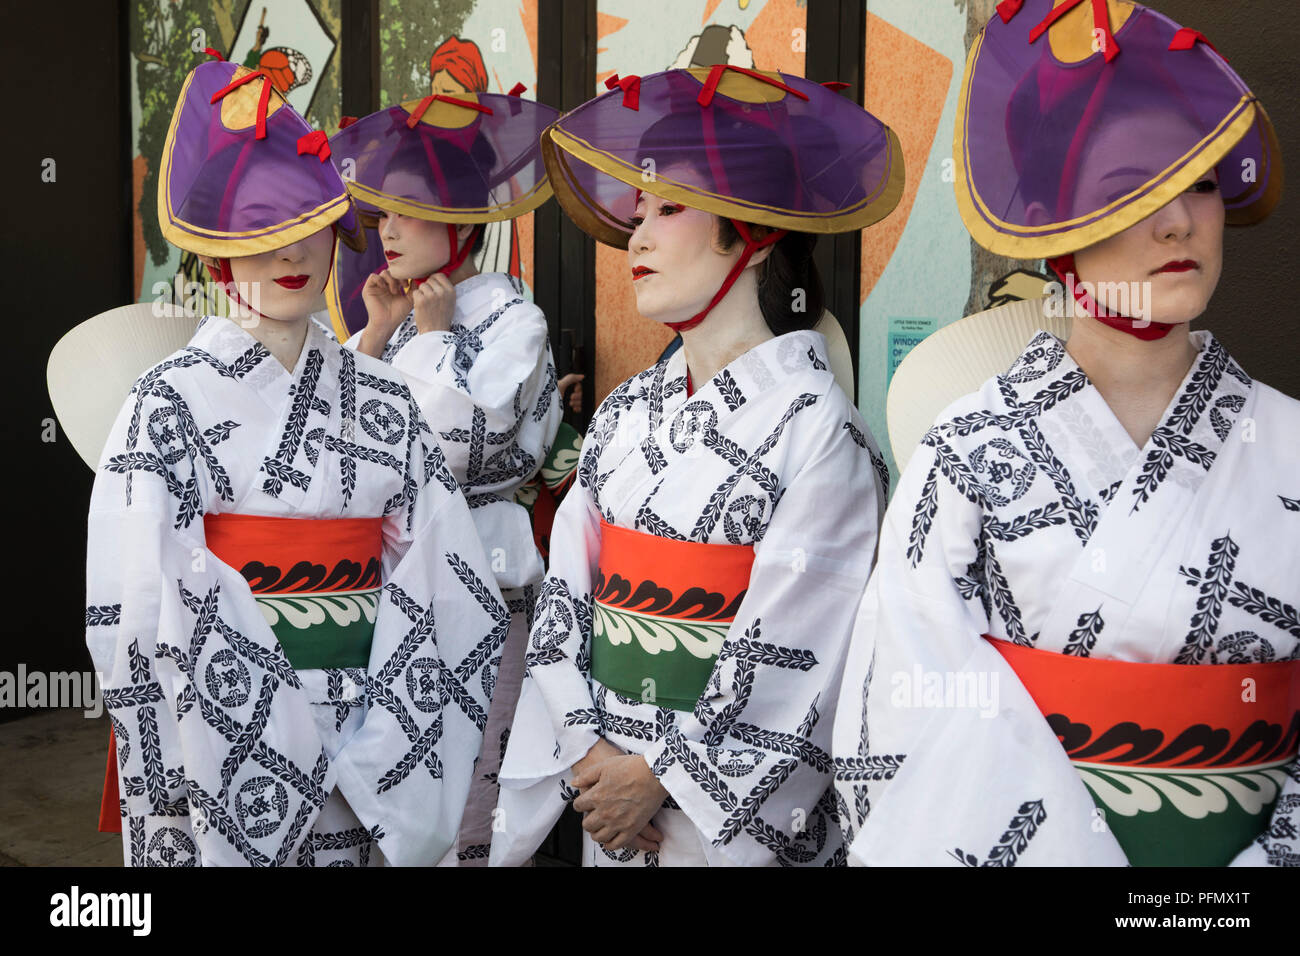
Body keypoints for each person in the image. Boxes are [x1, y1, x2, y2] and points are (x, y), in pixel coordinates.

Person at [833, 0, 1297, 867]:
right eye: (1131, 187)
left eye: (1198, 180)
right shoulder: (966, 451)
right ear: (1053, 222)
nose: (1178, 221)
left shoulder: (1292, 447)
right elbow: (898, 724)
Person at [86, 56, 508, 866]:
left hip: (370, 745)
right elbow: (133, 606)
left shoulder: (385, 402)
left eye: (308, 224)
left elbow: (453, 586)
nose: (291, 251)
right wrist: (243, 743)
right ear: (217, 249)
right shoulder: (166, 404)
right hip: (216, 743)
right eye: (259, 229)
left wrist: (386, 749)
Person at [491, 65, 903, 866]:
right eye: (639, 212)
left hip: (718, 818)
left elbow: (802, 651)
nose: (636, 237)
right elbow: (568, 597)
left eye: (668, 210)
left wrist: (663, 777)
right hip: (608, 790)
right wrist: (591, 761)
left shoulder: (822, 431)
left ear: (752, 233)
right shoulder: (626, 410)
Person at [326, 87, 561, 864]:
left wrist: (424, 340)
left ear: (461, 218)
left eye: (406, 208)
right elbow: (329, 440)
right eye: (381, 210)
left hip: (481, 594)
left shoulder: (514, 321)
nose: (385, 229)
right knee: (384, 804)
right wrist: (381, 331)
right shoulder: (395, 321)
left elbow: (451, 454)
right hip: (384, 593)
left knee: (466, 813)